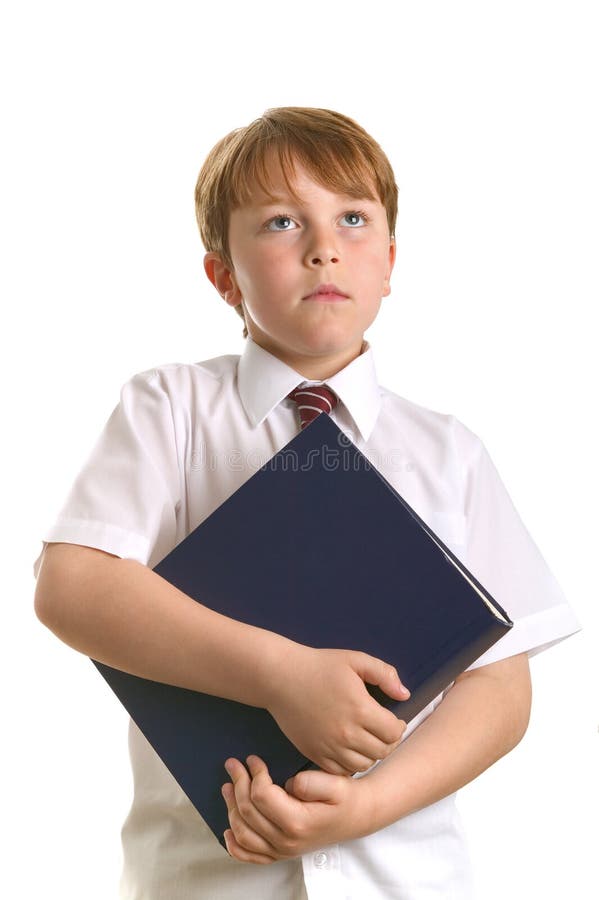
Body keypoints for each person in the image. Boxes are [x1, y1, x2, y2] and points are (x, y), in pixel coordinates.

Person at [33, 107, 580, 900]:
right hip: (204, 878)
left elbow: (499, 686)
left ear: (390, 262)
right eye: (281, 222)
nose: (323, 246)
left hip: (405, 878)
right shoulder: (170, 407)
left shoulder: (448, 451)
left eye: (352, 219)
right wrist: (279, 676)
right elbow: (73, 585)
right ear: (223, 276)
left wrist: (364, 805)